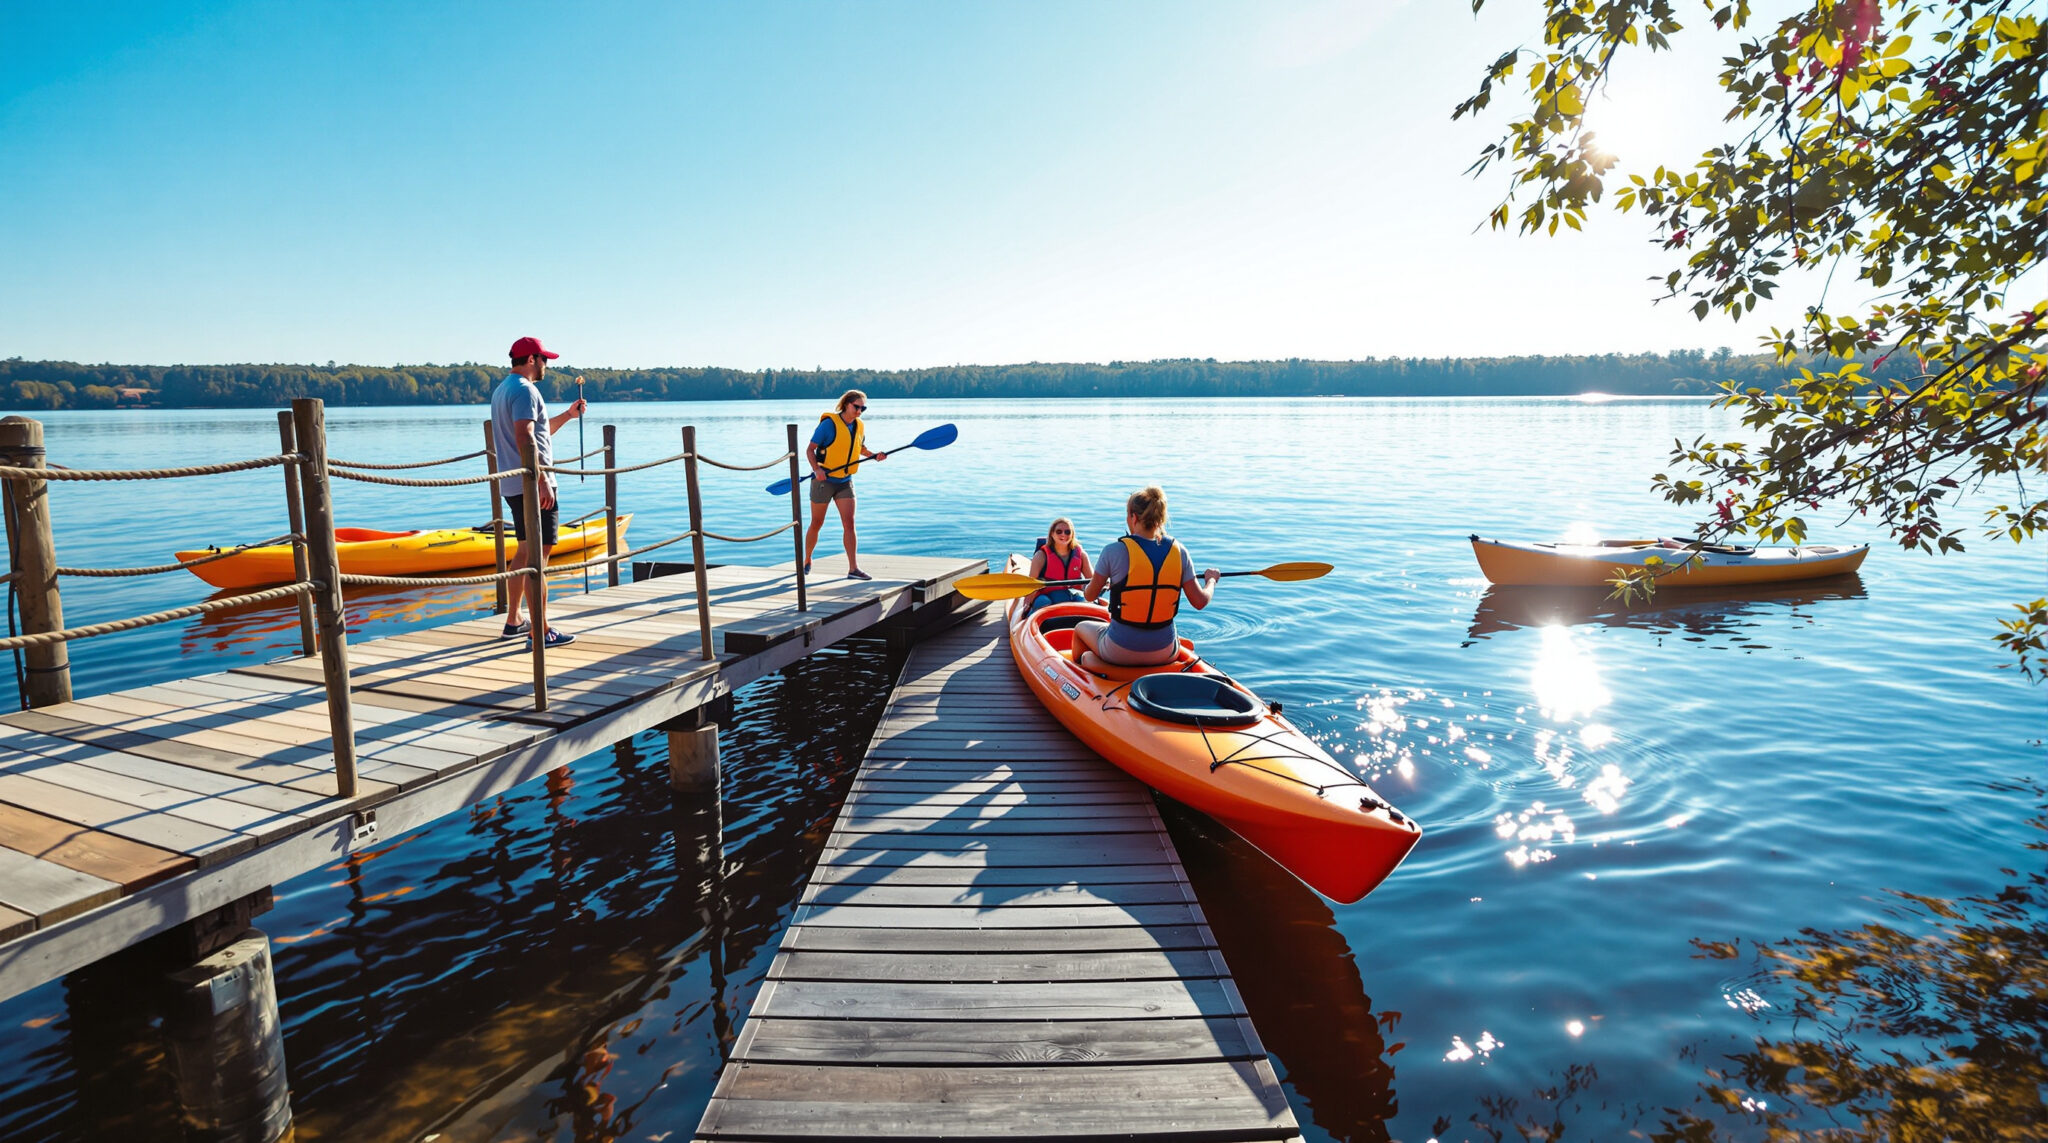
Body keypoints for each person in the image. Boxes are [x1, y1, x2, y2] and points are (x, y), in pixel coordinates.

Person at [491, 335, 586, 648]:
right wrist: (542, 478)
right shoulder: (525, 390)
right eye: (544, 358)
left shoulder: (503, 390)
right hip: (533, 485)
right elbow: (525, 435)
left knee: (524, 551)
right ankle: (541, 631)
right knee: (538, 560)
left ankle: (514, 620)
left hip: (515, 484)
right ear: (531, 359)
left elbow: (539, 432)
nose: (546, 364)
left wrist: (569, 416)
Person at [1073, 486, 1220, 668]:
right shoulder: (1180, 551)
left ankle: (1085, 671)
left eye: (1128, 515)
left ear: (1133, 517)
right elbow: (1200, 602)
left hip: (1119, 651)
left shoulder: (1112, 551)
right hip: (1166, 651)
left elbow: (1089, 596)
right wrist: (1211, 580)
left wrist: (1104, 585)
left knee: (1080, 629)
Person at [802, 389, 887, 580]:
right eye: (856, 407)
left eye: (862, 408)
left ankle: (853, 568)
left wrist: (874, 456)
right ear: (846, 404)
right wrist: (817, 469)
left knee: (849, 524)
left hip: (845, 481)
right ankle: (807, 559)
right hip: (823, 481)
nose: (859, 411)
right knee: (817, 523)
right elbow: (809, 450)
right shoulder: (828, 425)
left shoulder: (859, 426)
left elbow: (860, 448)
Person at [1026, 517, 1092, 615]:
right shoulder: (1041, 555)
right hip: (1045, 594)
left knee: (1083, 602)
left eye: (1067, 532)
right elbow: (1031, 585)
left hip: (1071, 593)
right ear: (1052, 534)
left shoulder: (1081, 555)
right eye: (1059, 531)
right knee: (1043, 602)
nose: (1063, 535)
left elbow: (1092, 580)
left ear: (1072, 534)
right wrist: (1026, 606)